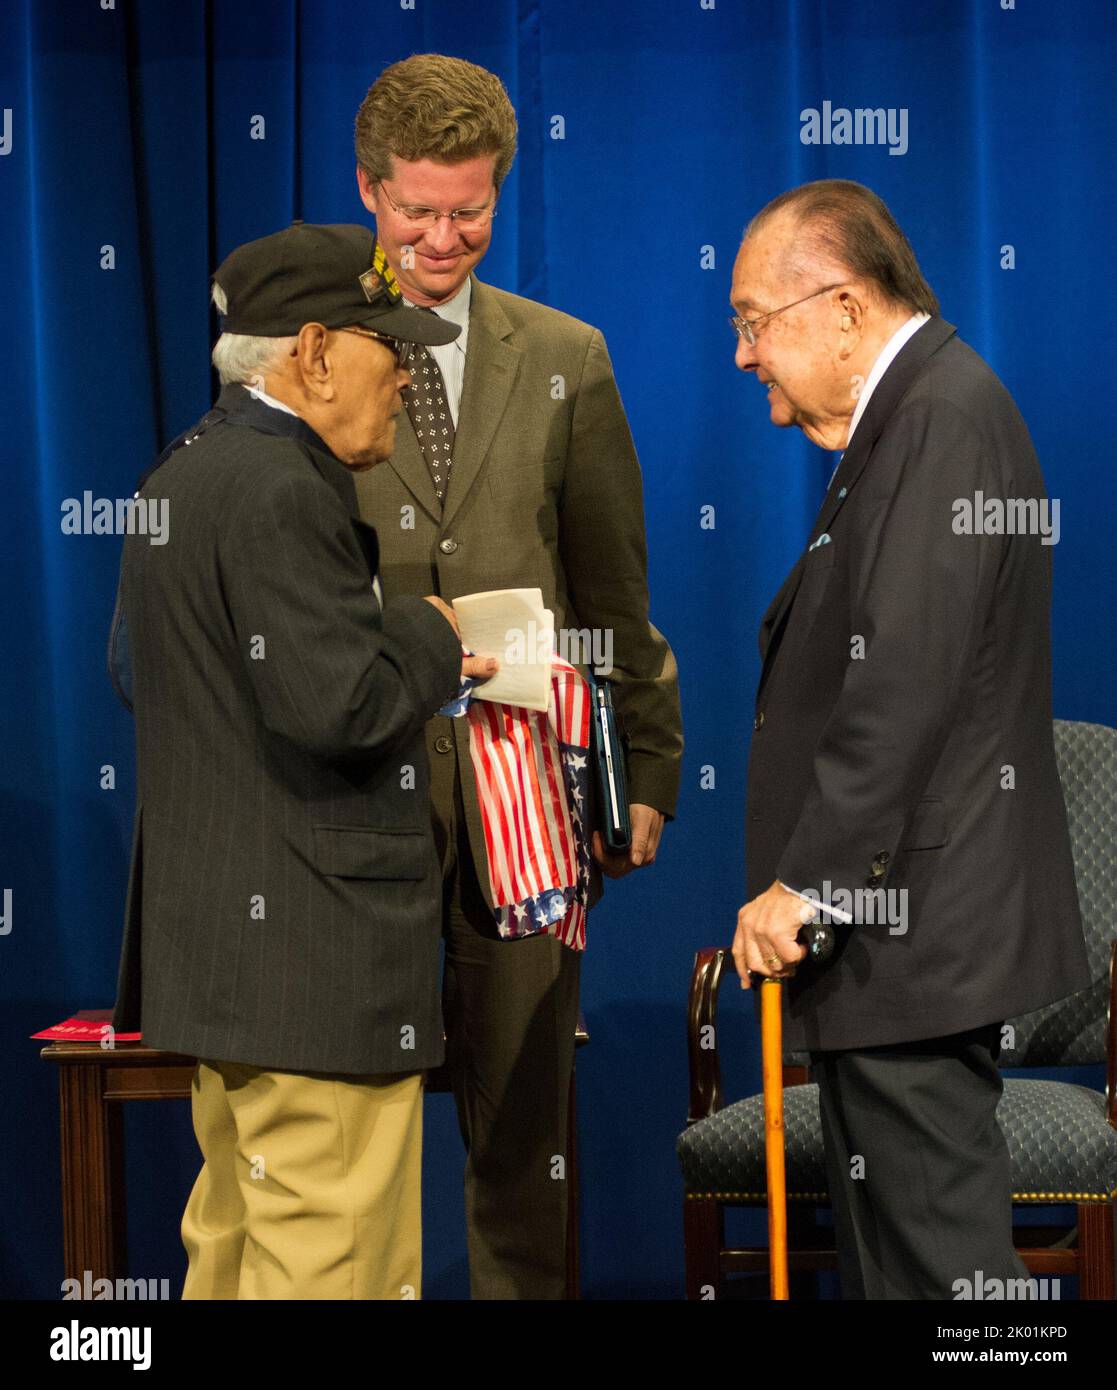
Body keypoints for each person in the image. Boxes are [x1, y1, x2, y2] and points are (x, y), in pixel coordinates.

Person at [109, 221, 497, 1300]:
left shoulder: (177, 473)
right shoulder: (284, 487)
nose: (408, 374)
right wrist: (428, 629)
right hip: (313, 964)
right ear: (314, 351)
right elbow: (344, 705)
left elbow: (136, 672)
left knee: (234, 1252)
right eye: (391, 348)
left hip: (224, 967)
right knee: (337, 1268)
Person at [350, 54, 684, 1299]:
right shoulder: (309, 349)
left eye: (471, 210)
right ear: (369, 189)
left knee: (522, 1131)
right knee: (355, 1133)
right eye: (418, 209)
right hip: (352, 808)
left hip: (524, 806)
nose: (444, 237)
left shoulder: (565, 355)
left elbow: (614, 589)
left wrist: (644, 767)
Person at [728, 180, 1091, 1299]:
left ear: (840, 307)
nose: (744, 357)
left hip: (911, 935)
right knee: (902, 1274)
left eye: (752, 321)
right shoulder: (915, 416)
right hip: (893, 944)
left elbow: (901, 680)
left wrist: (809, 883)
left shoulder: (938, 418)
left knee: (945, 1280)